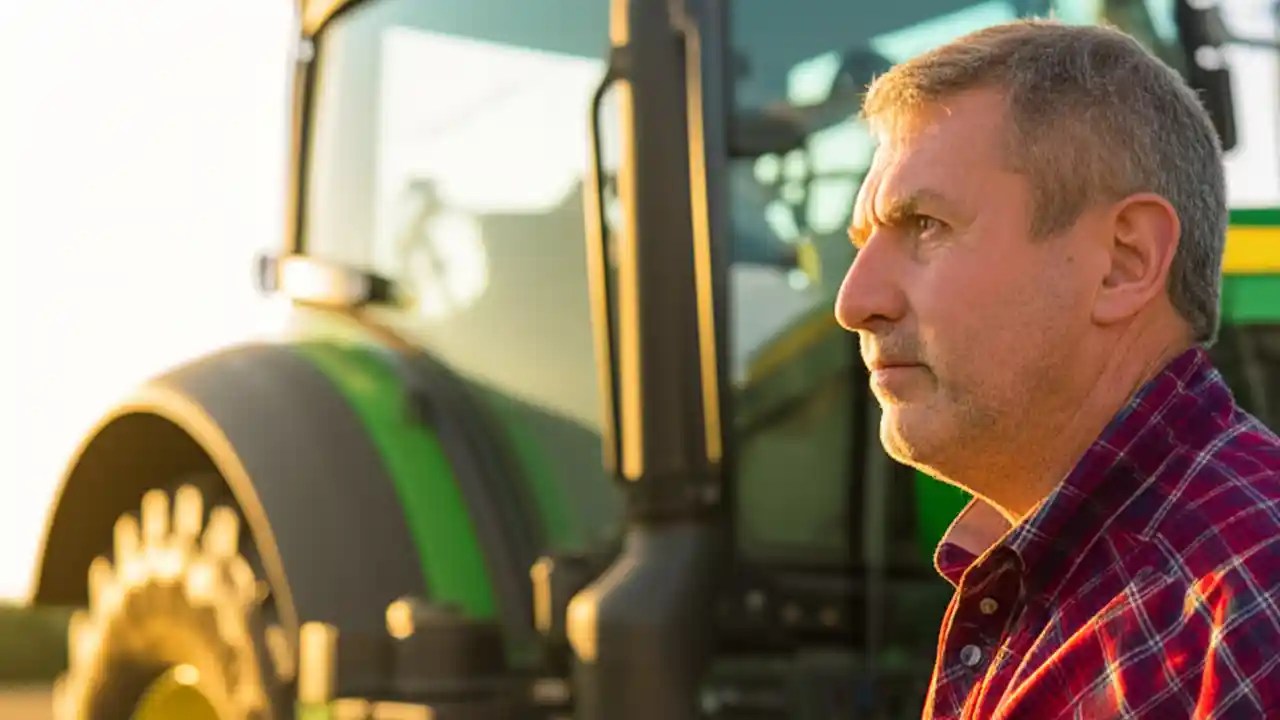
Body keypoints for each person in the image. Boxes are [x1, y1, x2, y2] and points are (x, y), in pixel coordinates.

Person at [834, 18, 1280, 719]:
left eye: (925, 225)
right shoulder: (1059, 580)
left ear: (1123, 263)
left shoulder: (1246, 607)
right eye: (862, 243)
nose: (855, 302)